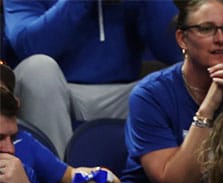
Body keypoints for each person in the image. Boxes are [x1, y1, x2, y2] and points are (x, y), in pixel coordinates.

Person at [122, 0, 223, 183]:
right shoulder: (151, 95)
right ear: (182, 39)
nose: (220, 39)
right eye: (206, 29)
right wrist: (208, 109)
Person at [4, 0, 181, 156]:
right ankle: (59, 181)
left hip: (124, 95)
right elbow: (28, 46)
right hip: (60, 92)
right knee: (37, 68)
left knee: (181, 74)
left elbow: (176, 50)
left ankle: (163, 182)